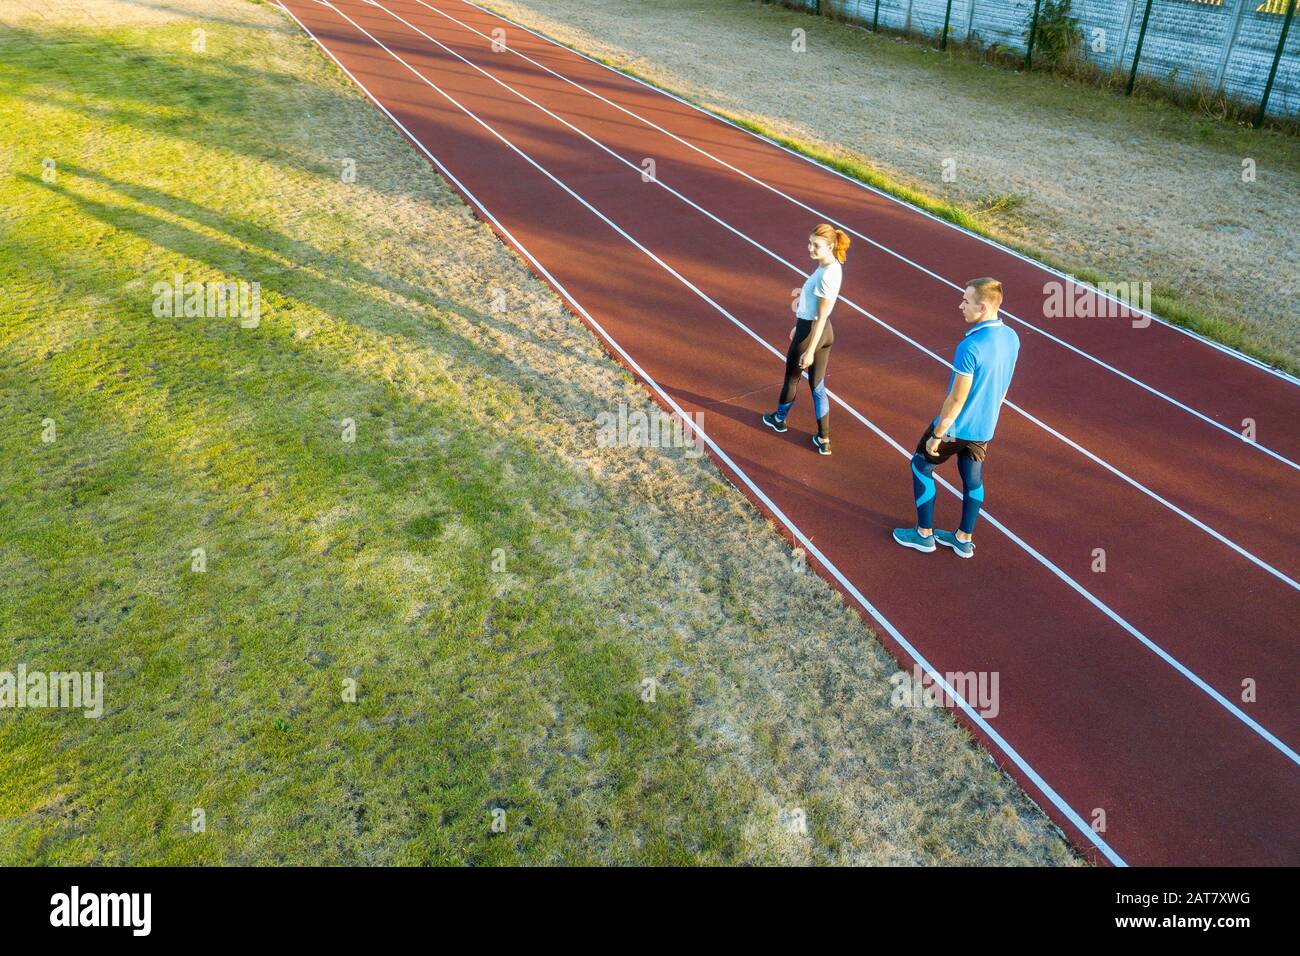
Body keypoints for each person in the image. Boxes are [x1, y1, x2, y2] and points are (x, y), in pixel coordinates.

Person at [892, 277, 1020, 559]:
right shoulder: (1012, 337)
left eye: (966, 301)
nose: (960, 305)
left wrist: (938, 435)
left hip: (956, 428)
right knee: (973, 480)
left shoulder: (970, 347)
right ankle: (964, 539)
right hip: (985, 427)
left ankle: (924, 534)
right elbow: (1004, 384)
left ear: (983, 306)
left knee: (920, 466)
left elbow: (957, 399)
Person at [762, 223, 850, 455]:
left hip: (813, 332)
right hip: (821, 332)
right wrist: (798, 324)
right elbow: (813, 310)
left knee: (792, 379)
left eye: (816, 245)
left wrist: (809, 349)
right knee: (818, 386)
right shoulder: (832, 266)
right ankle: (824, 438)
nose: (810, 248)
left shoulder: (825, 276)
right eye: (810, 243)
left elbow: (820, 316)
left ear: (830, 245)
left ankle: (779, 419)